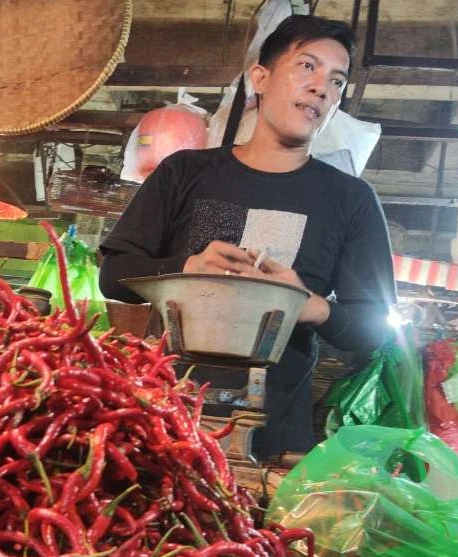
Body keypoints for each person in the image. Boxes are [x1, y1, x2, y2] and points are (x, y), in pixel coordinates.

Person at [99, 15, 397, 458]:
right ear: (260, 77)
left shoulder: (350, 200)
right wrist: (183, 269)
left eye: (337, 81)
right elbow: (114, 275)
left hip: (274, 438)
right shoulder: (185, 172)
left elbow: (374, 327)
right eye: (307, 67)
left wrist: (308, 304)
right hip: (161, 418)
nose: (321, 88)